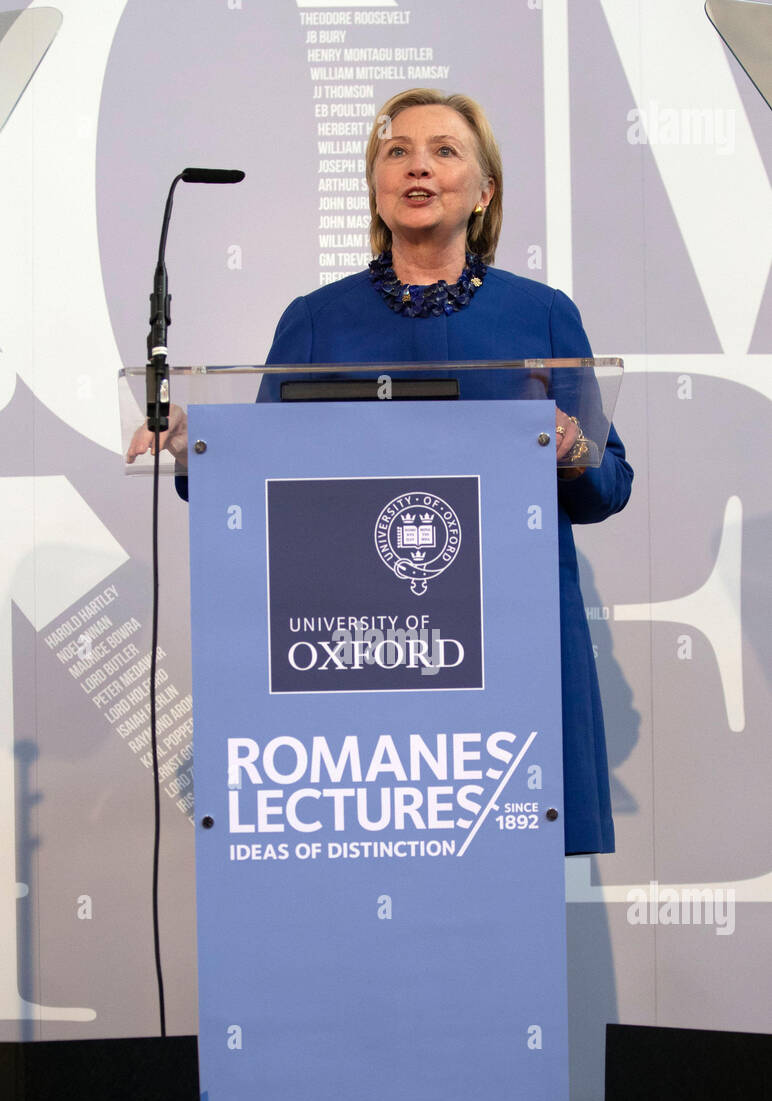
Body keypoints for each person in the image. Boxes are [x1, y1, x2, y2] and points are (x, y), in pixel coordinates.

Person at [131, 88, 632, 854]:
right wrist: (202, 442)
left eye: (444, 150)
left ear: (485, 190)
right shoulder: (317, 318)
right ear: (374, 182)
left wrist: (571, 450)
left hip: (512, 644)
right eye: (396, 151)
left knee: (502, 898)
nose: (418, 167)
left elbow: (609, 483)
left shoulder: (543, 316)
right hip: (365, 650)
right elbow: (262, 479)